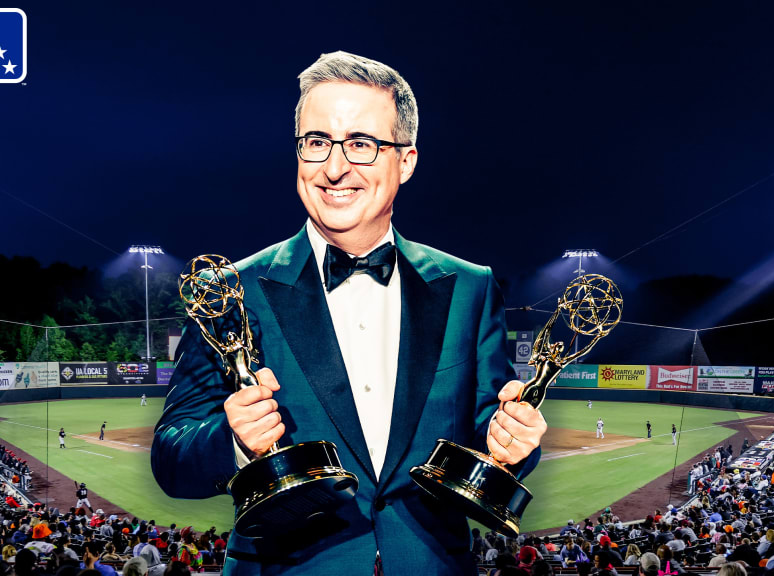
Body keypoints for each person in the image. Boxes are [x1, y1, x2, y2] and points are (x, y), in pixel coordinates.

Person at [152, 50, 546, 575]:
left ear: (406, 161)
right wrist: (234, 440)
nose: (335, 169)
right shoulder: (227, 291)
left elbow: (485, 436)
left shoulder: (470, 287)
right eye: (317, 142)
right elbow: (171, 459)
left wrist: (512, 443)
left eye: (361, 144)